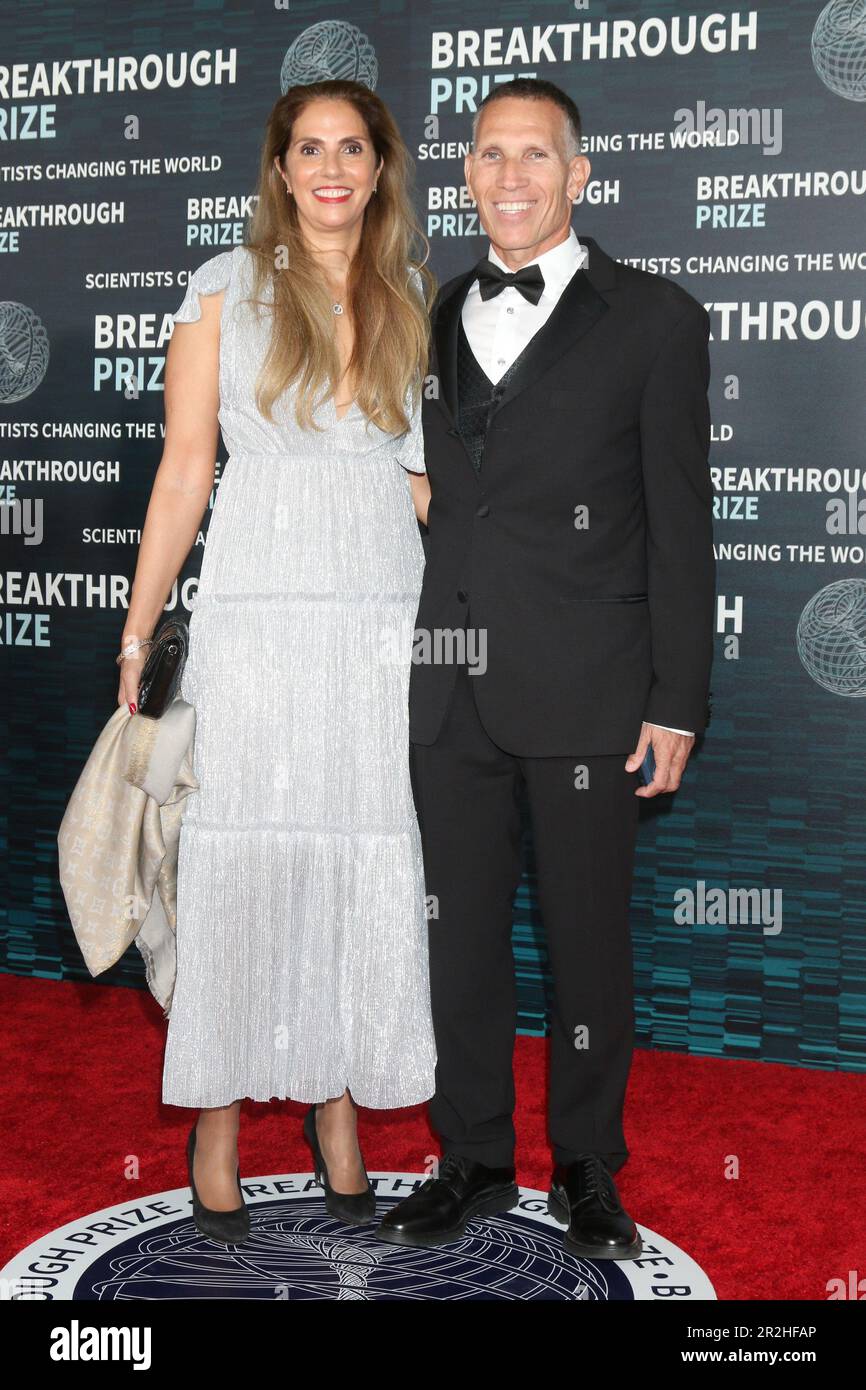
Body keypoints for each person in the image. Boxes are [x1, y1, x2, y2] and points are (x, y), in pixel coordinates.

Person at [378, 78, 715, 1256]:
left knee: (585, 941)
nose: (508, 176)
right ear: (463, 172)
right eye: (487, 155)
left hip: (587, 684)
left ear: (579, 176)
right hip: (447, 677)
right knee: (455, 935)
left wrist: (676, 699)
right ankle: (470, 1152)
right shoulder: (424, 312)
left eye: (535, 156)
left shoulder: (657, 320)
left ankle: (585, 1166)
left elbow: (682, 523)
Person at [117, 78, 437, 1243]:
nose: (332, 167)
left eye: (353, 146)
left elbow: (415, 479)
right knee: (237, 847)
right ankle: (213, 1112)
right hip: (256, 602)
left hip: (371, 611)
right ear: (279, 167)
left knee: (356, 844)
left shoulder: (409, 295)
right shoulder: (221, 289)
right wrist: (140, 626)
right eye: (310, 148)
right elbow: (182, 468)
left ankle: (337, 1101)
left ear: (380, 165)